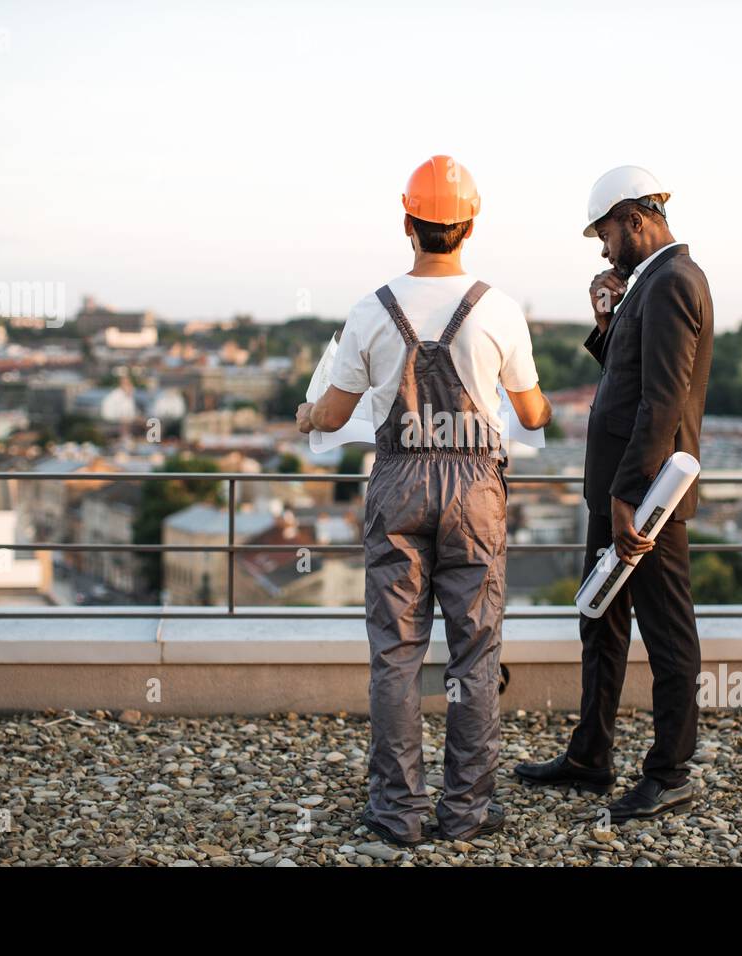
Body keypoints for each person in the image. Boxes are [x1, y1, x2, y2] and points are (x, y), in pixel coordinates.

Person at [297, 155, 551, 845]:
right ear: (471, 225)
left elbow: (336, 410)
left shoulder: (370, 310)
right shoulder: (499, 309)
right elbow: (532, 416)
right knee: (476, 654)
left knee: (396, 653)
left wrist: (309, 414)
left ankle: (398, 812)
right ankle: (467, 808)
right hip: (474, 491)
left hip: (400, 482)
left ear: (407, 221)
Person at [515, 165, 714, 822]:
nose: (601, 249)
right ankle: (590, 755)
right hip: (621, 494)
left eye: (604, 233)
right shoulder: (646, 284)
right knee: (599, 619)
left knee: (666, 633)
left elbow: (664, 400)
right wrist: (605, 321)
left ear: (634, 219)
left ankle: (671, 773)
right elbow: (629, 381)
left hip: (646, 499)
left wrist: (630, 495)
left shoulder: (674, 281)